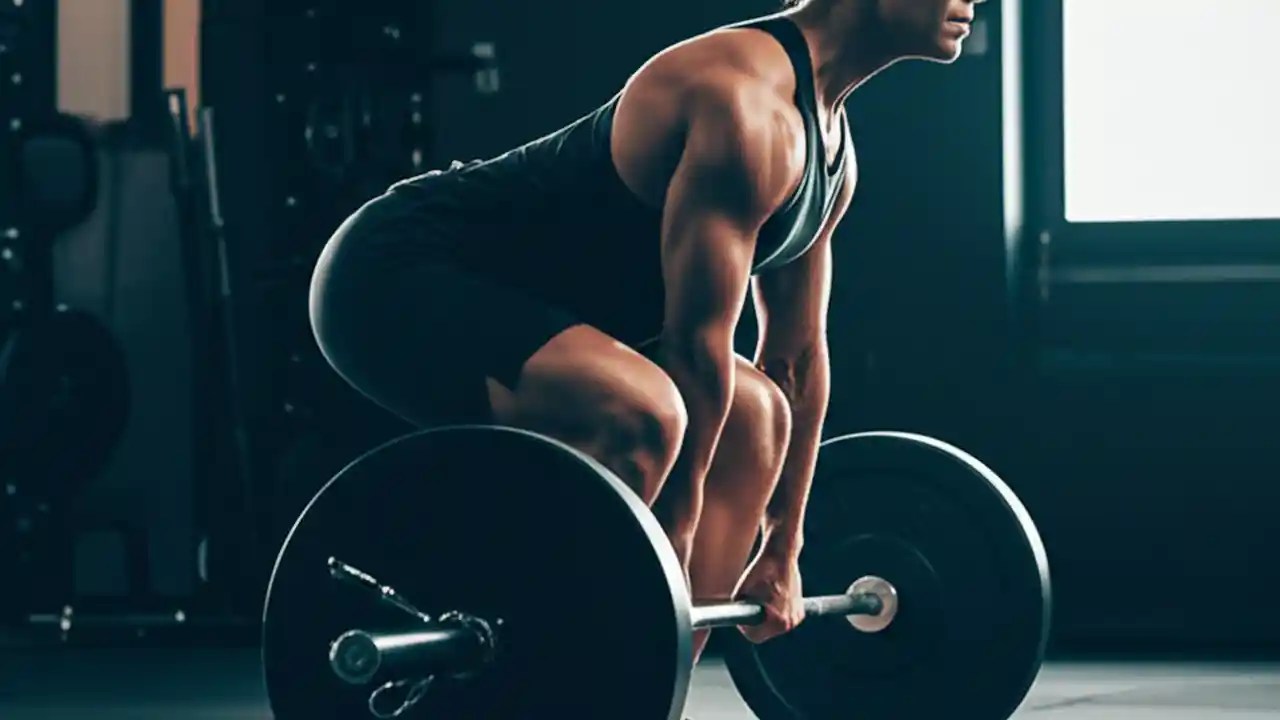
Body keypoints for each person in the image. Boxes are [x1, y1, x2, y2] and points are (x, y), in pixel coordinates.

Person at [310, 0, 984, 661]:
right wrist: (670, 546)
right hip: (395, 274)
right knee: (643, 413)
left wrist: (783, 548)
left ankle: (642, 689)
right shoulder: (742, 101)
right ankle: (547, 654)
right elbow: (695, 346)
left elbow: (796, 359)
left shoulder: (829, 150)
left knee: (758, 416)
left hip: (540, 311)